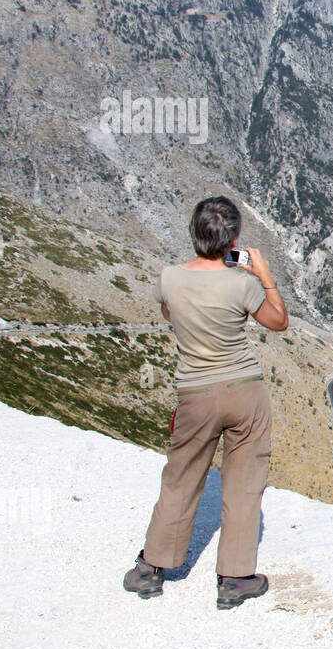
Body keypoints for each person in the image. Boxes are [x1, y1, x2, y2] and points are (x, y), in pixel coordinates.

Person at [123, 196, 289, 609]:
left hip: (195, 392)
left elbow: (169, 314)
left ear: (195, 236)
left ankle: (150, 569)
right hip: (245, 392)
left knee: (181, 477)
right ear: (233, 239)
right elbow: (278, 322)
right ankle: (234, 579)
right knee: (245, 484)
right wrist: (264, 274)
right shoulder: (244, 284)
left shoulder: (169, 278)